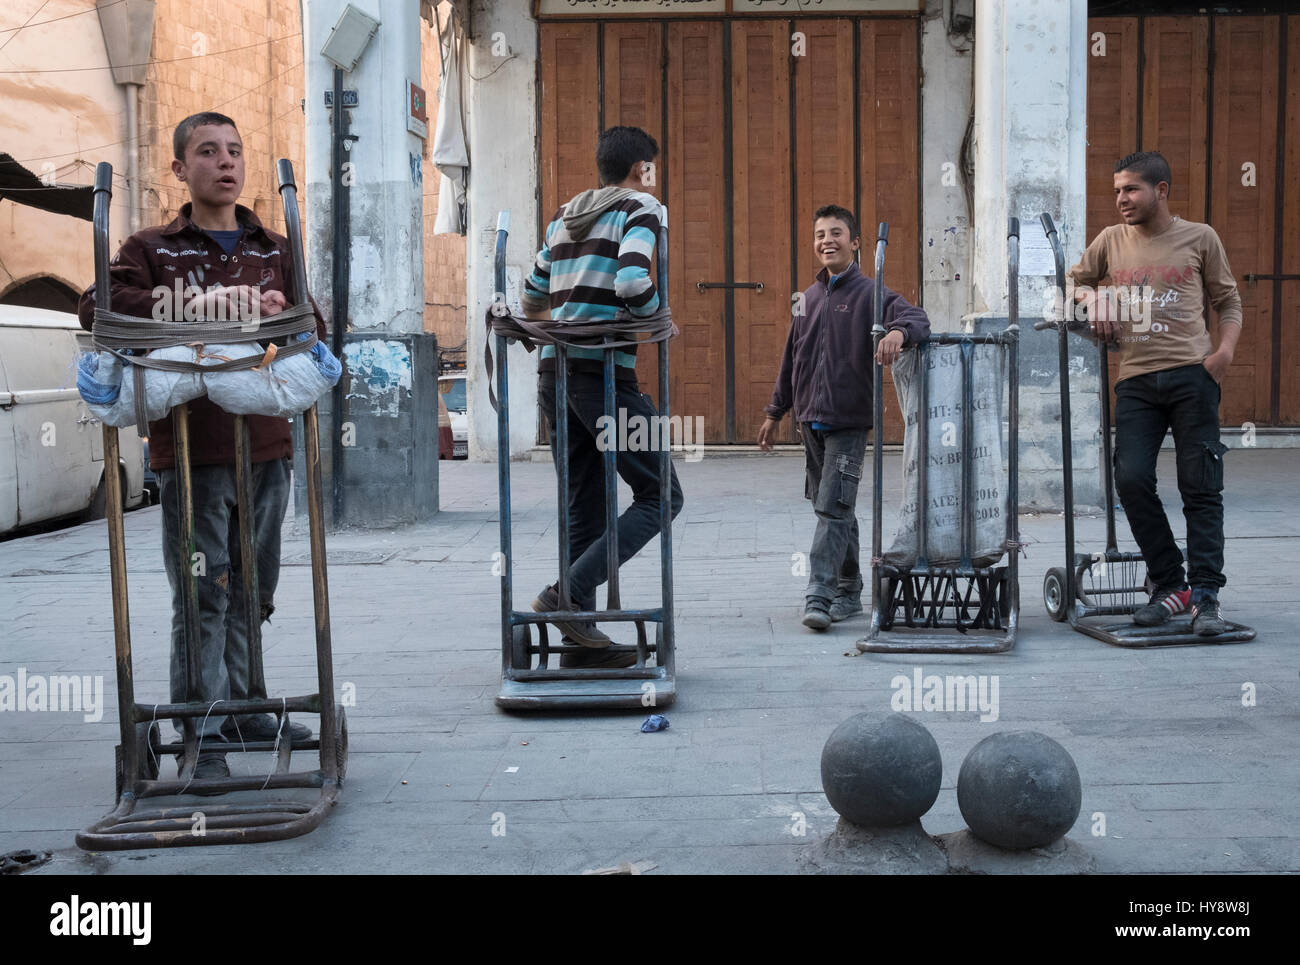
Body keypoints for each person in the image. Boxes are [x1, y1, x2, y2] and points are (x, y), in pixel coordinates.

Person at [78, 111, 325, 790]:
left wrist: (275, 307)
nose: (226, 162)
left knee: (254, 587)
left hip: (268, 448)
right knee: (204, 589)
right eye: (208, 152)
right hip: (193, 451)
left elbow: (314, 323)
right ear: (180, 169)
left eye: (236, 151)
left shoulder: (273, 245)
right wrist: (211, 305)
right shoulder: (153, 246)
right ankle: (201, 725)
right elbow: (98, 301)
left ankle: (246, 707)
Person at [521, 126, 684, 669]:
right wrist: (655, 316)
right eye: (652, 169)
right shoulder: (641, 207)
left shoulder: (565, 217)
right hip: (605, 377)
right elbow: (635, 283)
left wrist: (573, 315)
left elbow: (532, 296)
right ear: (642, 168)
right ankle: (568, 594)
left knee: (582, 505)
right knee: (662, 494)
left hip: (555, 376)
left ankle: (580, 639)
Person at [1068, 151, 1242, 636]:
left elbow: (1228, 300)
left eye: (1131, 189)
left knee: (1200, 487)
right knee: (1132, 480)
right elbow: (1073, 282)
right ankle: (1171, 585)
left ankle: (1206, 597)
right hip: (1137, 380)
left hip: (1192, 375)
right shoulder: (1110, 241)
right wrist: (1095, 295)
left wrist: (1223, 355)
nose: (1121, 199)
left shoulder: (1200, 237)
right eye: (1117, 190)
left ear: (1161, 190)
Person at [758, 205, 930, 630]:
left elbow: (916, 319)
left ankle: (819, 593)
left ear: (855, 242)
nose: (826, 241)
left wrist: (897, 333)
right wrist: (775, 411)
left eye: (836, 233)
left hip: (849, 422)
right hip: (809, 421)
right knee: (834, 505)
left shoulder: (873, 295)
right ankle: (850, 589)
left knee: (833, 509)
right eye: (819, 234)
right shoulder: (806, 299)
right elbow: (790, 359)